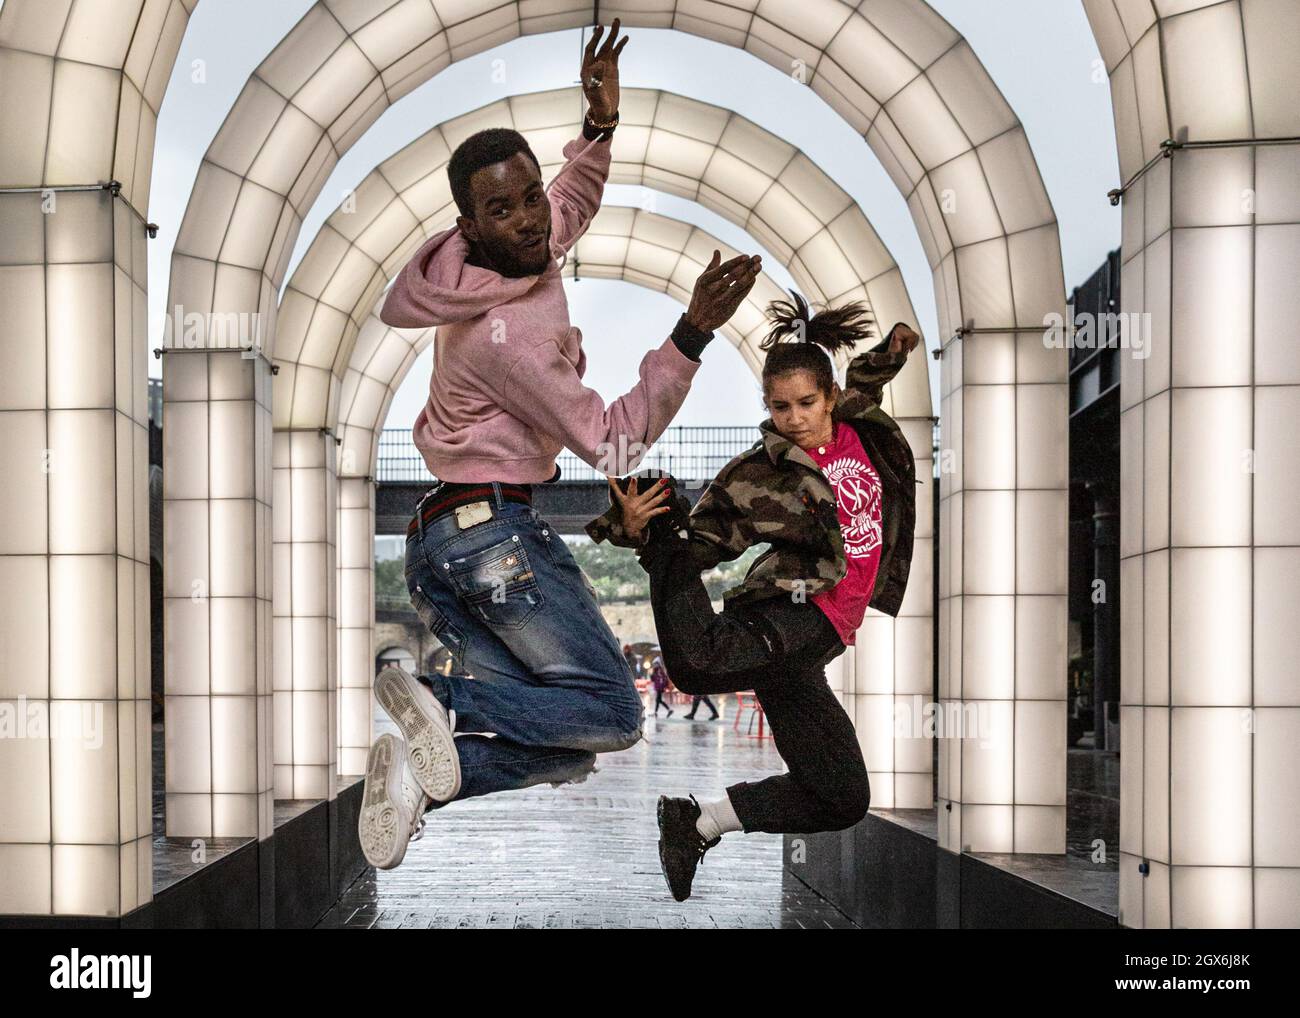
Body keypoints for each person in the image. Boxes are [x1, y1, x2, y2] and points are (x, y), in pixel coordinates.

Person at [357, 18, 763, 871]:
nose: (531, 218)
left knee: (571, 744)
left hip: (448, 543)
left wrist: (600, 129)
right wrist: (691, 333)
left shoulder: (515, 252)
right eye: (501, 208)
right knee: (615, 711)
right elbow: (612, 444)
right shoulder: (508, 333)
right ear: (468, 225)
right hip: (493, 540)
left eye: (530, 193)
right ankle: (435, 695)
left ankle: (424, 778)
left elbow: (570, 208)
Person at [587, 292, 920, 901]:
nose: (793, 417)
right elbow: (709, 538)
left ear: (828, 397)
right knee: (694, 663)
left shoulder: (859, 426)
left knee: (841, 795)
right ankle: (656, 520)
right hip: (792, 612)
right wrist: (632, 528)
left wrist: (893, 349)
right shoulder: (759, 472)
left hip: (813, 648)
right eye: (778, 406)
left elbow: (865, 380)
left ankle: (699, 822)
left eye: (806, 403)